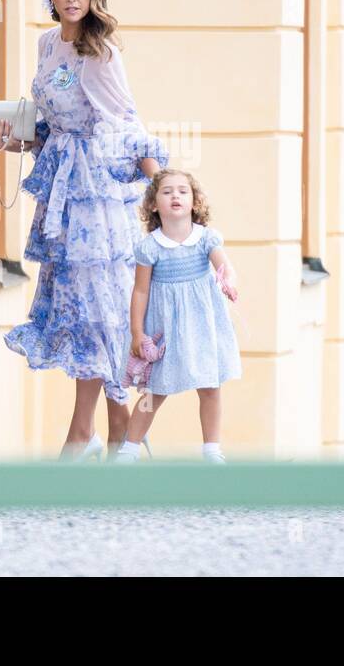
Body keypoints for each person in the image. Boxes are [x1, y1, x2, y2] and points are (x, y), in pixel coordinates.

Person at [0, 0, 167, 460]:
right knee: (78, 312)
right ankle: (103, 436)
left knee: (104, 312)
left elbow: (126, 124)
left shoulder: (101, 53)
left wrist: (162, 188)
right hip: (61, 200)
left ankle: (105, 436)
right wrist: (13, 141)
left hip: (97, 199)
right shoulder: (46, 44)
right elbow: (50, 128)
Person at [114, 169, 240, 464]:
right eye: (167, 191)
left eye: (183, 191)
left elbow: (225, 267)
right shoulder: (149, 247)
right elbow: (141, 292)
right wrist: (137, 332)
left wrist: (227, 281)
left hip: (201, 324)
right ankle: (129, 450)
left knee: (210, 386)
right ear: (154, 204)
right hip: (164, 329)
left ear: (195, 202)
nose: (176, 196)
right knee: (153, 391)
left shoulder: (206, 239)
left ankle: (212, 450)